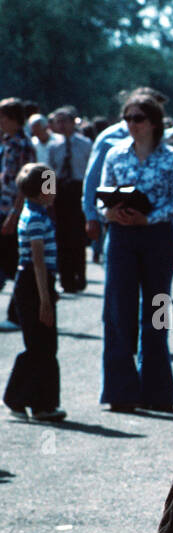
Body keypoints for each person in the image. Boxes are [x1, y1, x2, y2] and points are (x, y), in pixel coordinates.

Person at [99, 93, 173, 412]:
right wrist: (109, 213)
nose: (132, 125)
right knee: (118, 312)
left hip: (156, 236)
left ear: (153, 123)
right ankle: (120, 391)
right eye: (128, 119)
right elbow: (101, 195)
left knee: (155, 313)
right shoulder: (114, 154)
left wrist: (149, 217)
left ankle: (156, 392)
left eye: (138, 119)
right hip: (121, 236)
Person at [3, 163, 65, 421]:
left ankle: (35, 401)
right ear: (41, 191)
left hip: (37, 282)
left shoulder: (35, 213)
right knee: (41, 345)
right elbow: (36, 261)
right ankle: (32, 402)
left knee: (42, 344)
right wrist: (45, 300)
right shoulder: (36, 219)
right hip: (32, 283)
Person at [83, 88, 168, 269]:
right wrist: (92, 215)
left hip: (155, 226)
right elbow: (93, 181)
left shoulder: (163, 140)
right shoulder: (109, 139)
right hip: (119, 221)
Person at [47, 107, 92, 293]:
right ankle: (66, 279)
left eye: (64, 121)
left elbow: (90, 170)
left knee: (78, 236)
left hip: (78, 189)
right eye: (58, 121)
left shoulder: (85, 143)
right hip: (61, 191)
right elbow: (49, 173)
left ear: (74, 122)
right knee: (62, 237)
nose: (61, 125)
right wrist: (48, 198)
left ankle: (79, 275)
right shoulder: (53, 145)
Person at [0, 99, 37, 311]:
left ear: (14, 119)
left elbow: (25, 185)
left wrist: (15, 214)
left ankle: (17, 313)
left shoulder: (22, 145)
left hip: (14, 210)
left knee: (18, 264)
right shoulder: (7, 142)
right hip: (2, 206)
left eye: (3, 117)